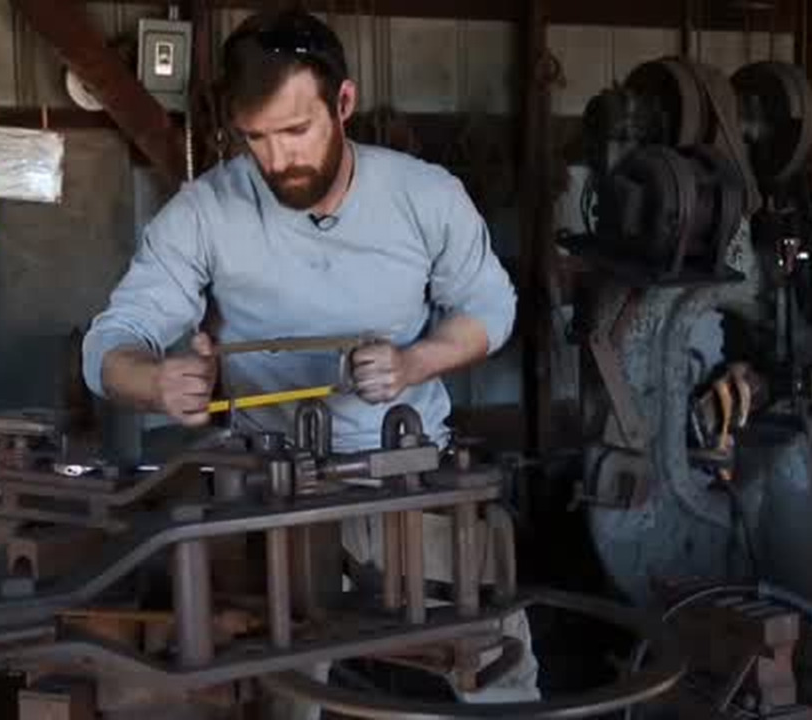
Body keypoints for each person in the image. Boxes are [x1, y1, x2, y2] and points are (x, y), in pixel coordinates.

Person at [81, 7, 536, 711]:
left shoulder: (424, 196)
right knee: (276, 687)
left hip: (407, 479)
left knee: (496, 661)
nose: (277, 160)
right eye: (255, 138)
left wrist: (416, 363)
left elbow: (492, 307)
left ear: (343, 103)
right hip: (265, 492)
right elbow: (112, 339)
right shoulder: (204, 211)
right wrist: (153, 380)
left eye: (297, 131)